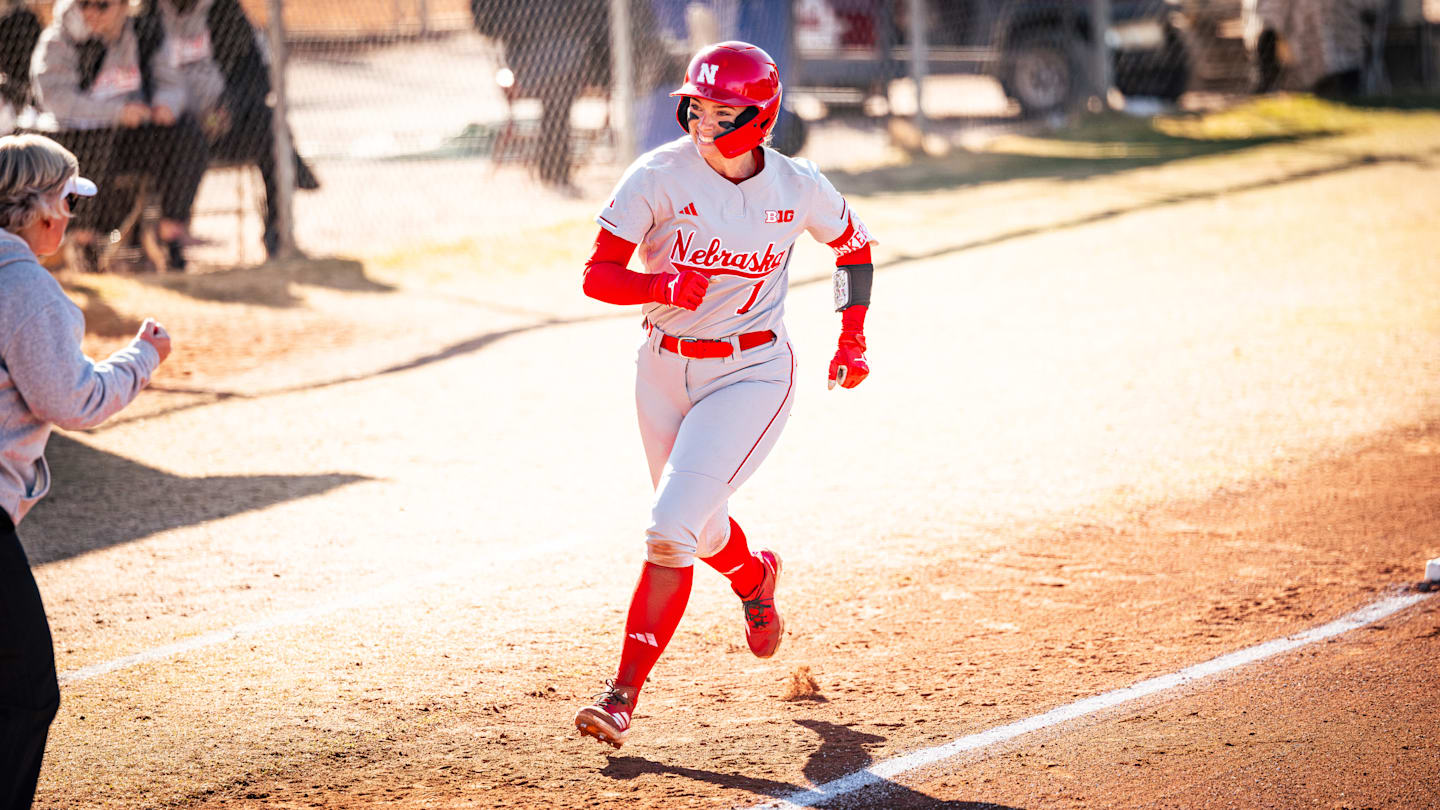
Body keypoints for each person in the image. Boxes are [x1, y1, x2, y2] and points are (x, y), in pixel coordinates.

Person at [572, 41, 873, 749]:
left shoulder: (796, 187)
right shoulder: (657, 175)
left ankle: (620, 698)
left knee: (669, 527)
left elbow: (853, 249)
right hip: (661, 369)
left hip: (751, 374)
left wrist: (851, 337)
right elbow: (597, 275)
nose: (705, 124)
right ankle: (753, 577)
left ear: (762, 116)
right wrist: (655, 286)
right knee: (698, 530)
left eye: (724, 111)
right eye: (697, 108)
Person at [0, 133, 170, 809]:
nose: (71, 216)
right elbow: (72, 400)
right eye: (67, 199)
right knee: (25, 690)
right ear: (36, 208)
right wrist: (142, 358)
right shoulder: (24, 289)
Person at [31, 0, 209, 271]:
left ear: (126, 5)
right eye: (84, 4)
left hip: (130, 134)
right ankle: (84, 240)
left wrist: (166, 104)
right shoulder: (60, 39)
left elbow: (171, 81)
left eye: (102, 5)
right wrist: (116, 112)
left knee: (186, 131)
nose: (91, 12)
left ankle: (168, 233)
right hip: (77, 140)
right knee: (97, 142)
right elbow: (57, 101)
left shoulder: (143, 34)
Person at [138, 0, 318, 259]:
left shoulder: (223, 10)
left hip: (221, 124)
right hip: (171, 129)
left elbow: (256, 76)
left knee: (268, 122)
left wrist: (228, 108)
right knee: (182, 134)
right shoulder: (149, 14)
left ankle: (277, 231)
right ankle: (170, 242)